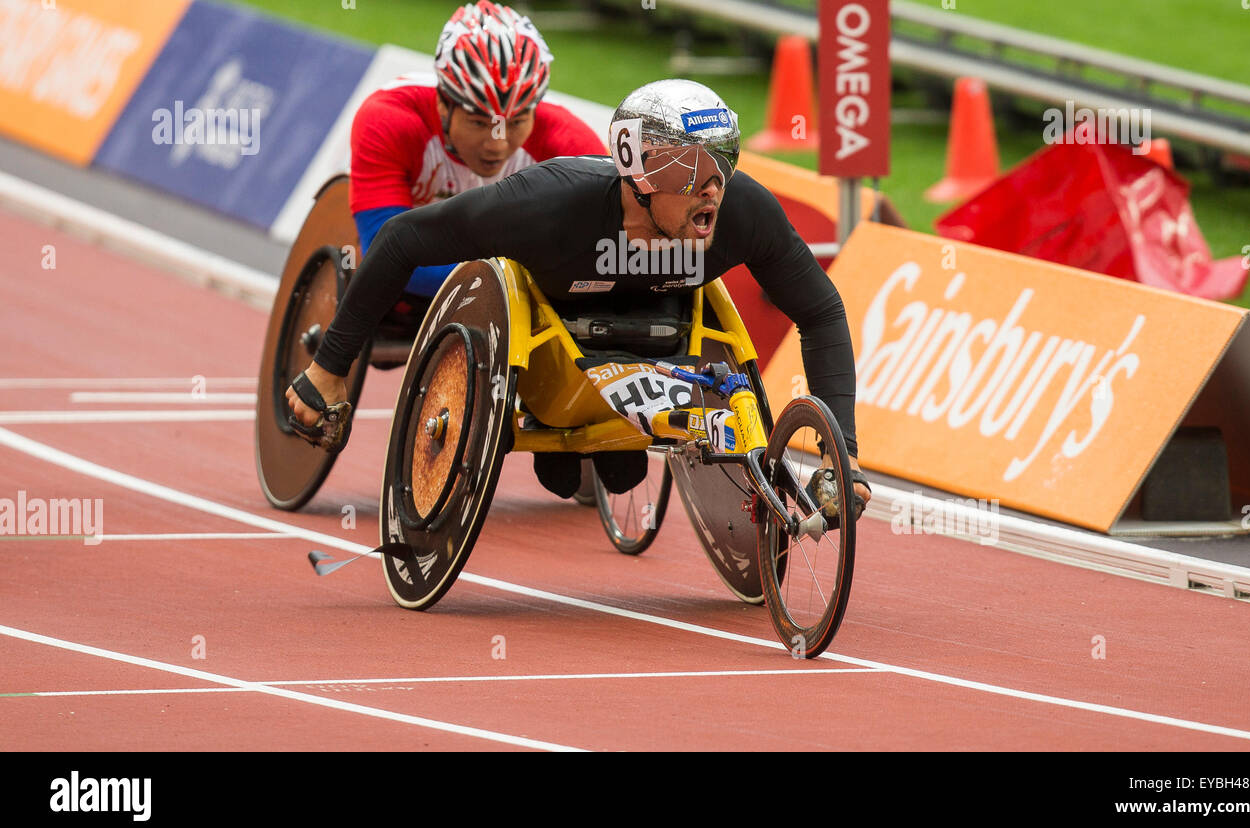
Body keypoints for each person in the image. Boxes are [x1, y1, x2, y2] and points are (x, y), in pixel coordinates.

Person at [288, 78, 872, 514]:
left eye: (723, 164)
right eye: (688, 169)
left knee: (618, 474)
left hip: (662, 338)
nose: (712, 188)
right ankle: (568, 435)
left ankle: (601, 434)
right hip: (551, 350)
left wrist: (840, 454)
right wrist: (329, 368)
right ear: (636, 169)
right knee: (570, 474)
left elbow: (820, 310)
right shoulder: (545, 204)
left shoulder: (746, 214)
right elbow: (401, 239)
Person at [350, 0, 604, 300]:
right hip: (411, 291)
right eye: (479, 123)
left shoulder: (571, 145)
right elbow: (386, 256)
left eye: (516, 122)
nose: (497, 144)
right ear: (443, 103)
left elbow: (606, 257)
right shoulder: (389, 120)